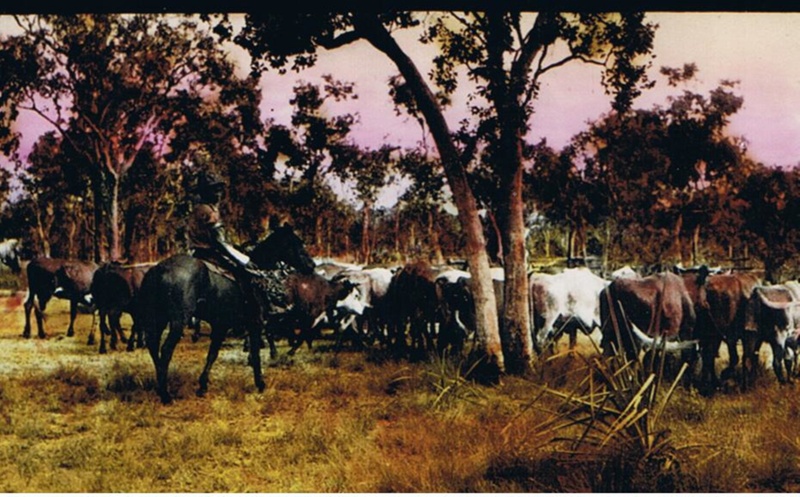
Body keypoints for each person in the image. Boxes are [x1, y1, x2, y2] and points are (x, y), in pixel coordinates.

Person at [188, 170, 255, 274]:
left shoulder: (197, 209)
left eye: (219, 190)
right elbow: (219, 242)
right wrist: (243, 260)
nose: (218, 194)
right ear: (205, 192)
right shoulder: (210, 212)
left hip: (197, 254)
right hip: (212, 256)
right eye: (214, 190)